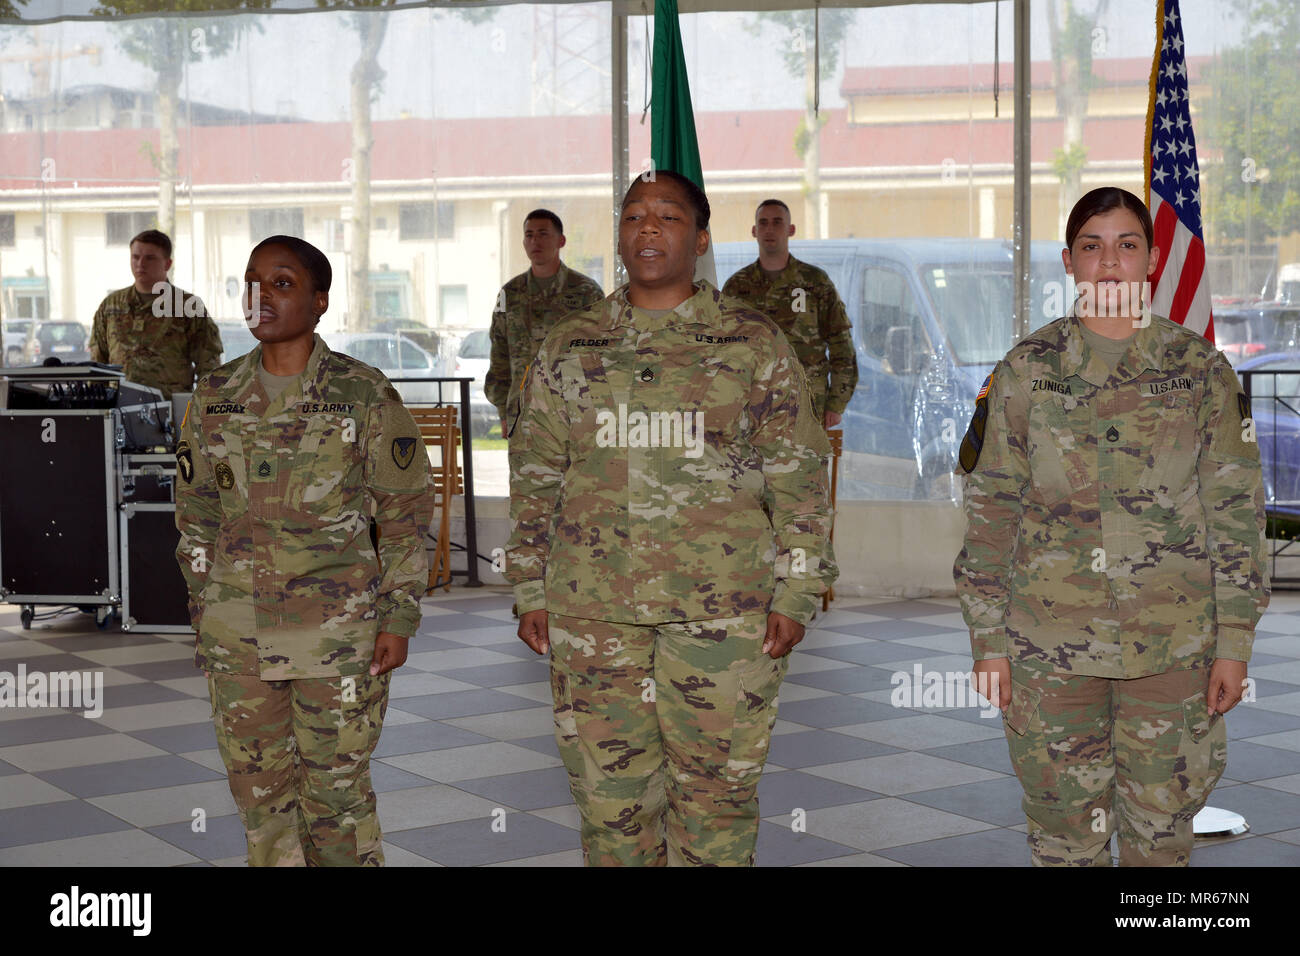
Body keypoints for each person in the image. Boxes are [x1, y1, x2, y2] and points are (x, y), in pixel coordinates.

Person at [505, 170, 836, 866]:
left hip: (724, 615)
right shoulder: (571, 343)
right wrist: (529, 588)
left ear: (703, 238)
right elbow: (536, 475)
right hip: (594, 612)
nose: (647, 229)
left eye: (668, 217)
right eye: (633, 217)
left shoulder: (752, 342)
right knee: (610, 807)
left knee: (715, 806)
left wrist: (799, 589)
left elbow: (799, 478)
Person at [953, 187, 1269, 867]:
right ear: (1069, 261)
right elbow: (992, 509)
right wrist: (988, 640)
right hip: (1051, 651)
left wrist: (1235, 641)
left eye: (1127, 245)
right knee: (1066, 837)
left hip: (1173, 650)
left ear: (1151, 260)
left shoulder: (1200, 371)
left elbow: (1236, 513)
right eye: (1092, 247)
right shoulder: (1026, 372)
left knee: (1161, 837)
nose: (1110, 262)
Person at [174, 235, 435, 867]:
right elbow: (196, 516)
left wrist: (398, 619)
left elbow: (403, 516)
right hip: (240, 634)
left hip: (337, 635)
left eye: (282, 283)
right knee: (259, 797)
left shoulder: (363, 393)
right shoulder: (215, 396)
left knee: (335, 799)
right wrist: (206, 608)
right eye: (253, 281)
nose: (262, 294)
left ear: (320, 302)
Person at [721, 199, 858, 429]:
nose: (769, 229)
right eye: (763, 223)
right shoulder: (736, 287)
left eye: (777, 222)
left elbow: (841, 346)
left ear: (791, 229)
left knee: (806, 465)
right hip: (753, 410)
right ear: (754, 231)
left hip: (807, 407)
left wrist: (836, 404)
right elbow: (723, 349)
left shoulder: (815, 282)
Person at [485, 209, 604, 437]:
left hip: (574, 411)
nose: (535, 241)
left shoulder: (586, 292)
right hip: (523, 413)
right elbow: (499, 356)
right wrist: (503, 411)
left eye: (542, 234)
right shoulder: (509, 294)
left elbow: (603, 352)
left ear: (561, 240)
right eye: (529, 235)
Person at [90, 228, 223, 399]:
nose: (140, 264)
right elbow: (97, 366)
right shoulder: (111, 306)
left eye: (150, 258)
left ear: (167, 264)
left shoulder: (188, 306)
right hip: (119, 410)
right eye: (135, 257)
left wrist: (204, 410)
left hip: (170, 413)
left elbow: (209, 366)